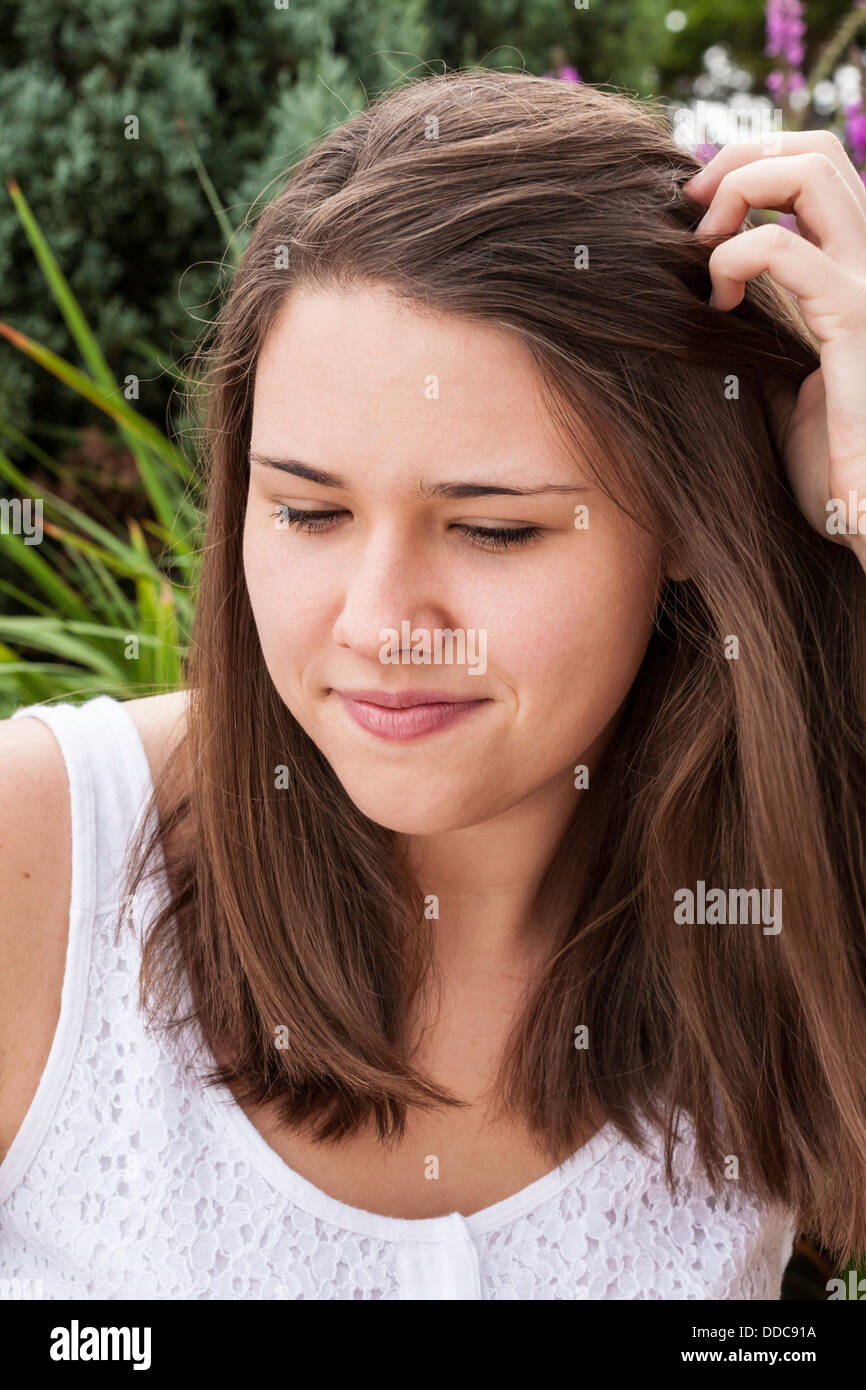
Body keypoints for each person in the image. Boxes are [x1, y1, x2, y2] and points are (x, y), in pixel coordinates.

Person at [2, 70, 865, 1301]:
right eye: (306, 511)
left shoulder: (787, 887)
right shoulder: (37, 863)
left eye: (493, 530)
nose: (376, 625)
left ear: (688, 519)